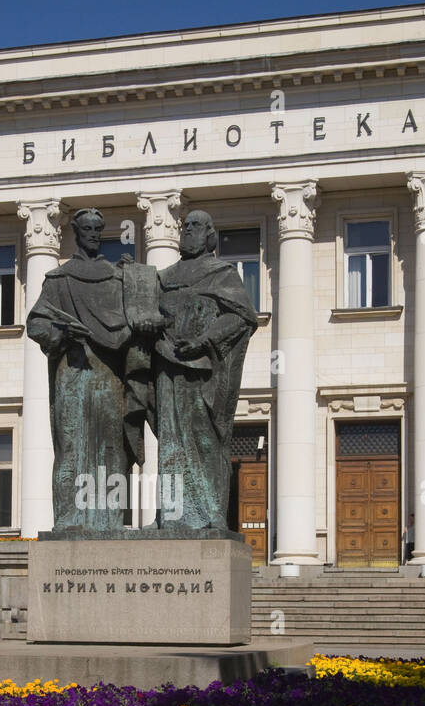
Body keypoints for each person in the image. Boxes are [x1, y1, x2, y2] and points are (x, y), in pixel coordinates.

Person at [26, 209, 160, 536]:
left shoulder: (116, 277)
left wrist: (136, 279)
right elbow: (37, 323)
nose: (93, 234)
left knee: (111, 446)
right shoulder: (59, 279)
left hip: (111, 375)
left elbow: (139, 315)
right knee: (71, 444)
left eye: (98, 229)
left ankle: (110, 519)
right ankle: (70, 520)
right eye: (86, 229)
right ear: (75, 232)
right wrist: (60, 335)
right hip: (72, 372)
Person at [154, 210, 257, 533]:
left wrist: (204, 340)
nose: (188, 232)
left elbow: (242, 317)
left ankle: (211, 513)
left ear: (210, 236)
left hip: (204, 370)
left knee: (205, 437)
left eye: (196, 227)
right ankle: (171, 516)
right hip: (167, 365)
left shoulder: (222, 273)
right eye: (185, 226)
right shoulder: (163, 276)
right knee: (170, 441)